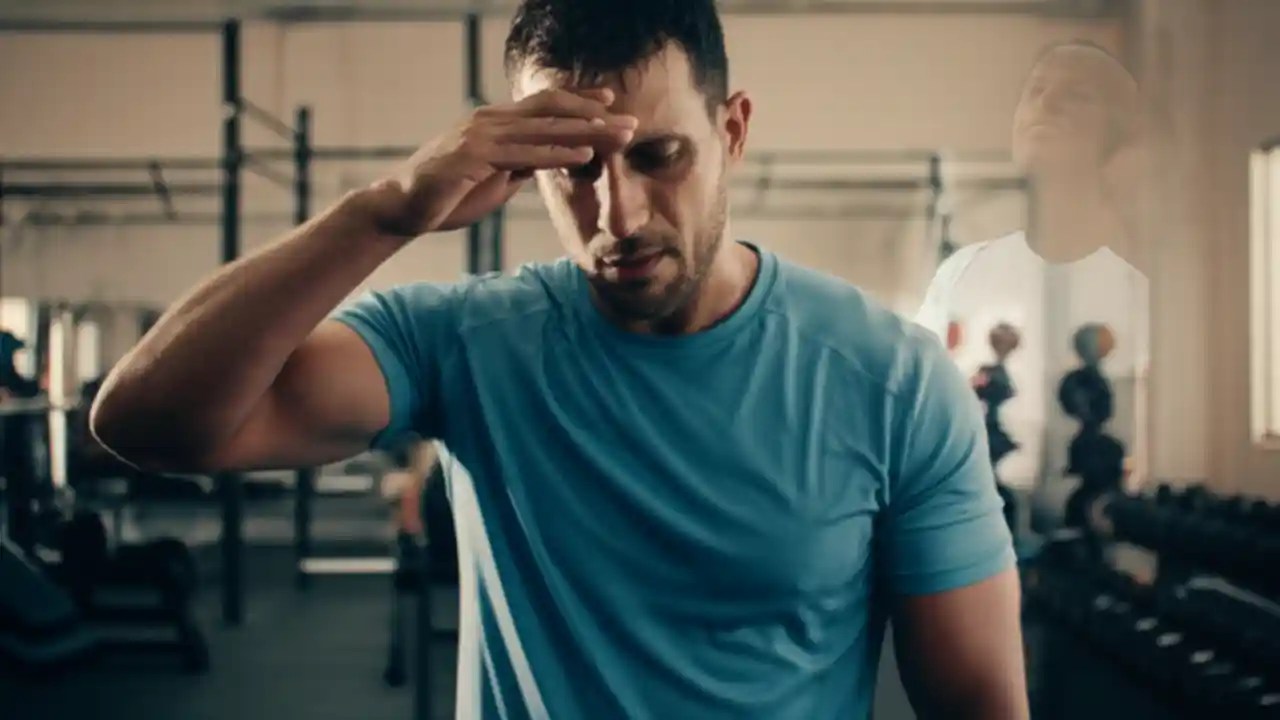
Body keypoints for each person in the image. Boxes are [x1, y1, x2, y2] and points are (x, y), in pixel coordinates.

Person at [90, 1, 1026, 717]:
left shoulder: (893, 380)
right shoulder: (463, 344)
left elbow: (979, 703)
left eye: (659, 156)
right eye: (573, 170)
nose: (617, 217)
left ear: (732, 132)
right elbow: (145, 423)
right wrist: (384, 211)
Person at [916, 40, 1149, 504]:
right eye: (1036, 91)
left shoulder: (1143, 285)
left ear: (1117, 137)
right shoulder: (964, 273)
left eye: (1076, 95)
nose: (1046, 106)